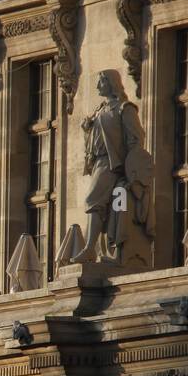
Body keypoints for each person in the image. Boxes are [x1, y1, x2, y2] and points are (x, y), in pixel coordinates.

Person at [72, 69, 155, 268]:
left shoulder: (124, 108)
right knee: (102, 204)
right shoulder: (101, 109)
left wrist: (131, 173)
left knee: (93, 200)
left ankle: (90, 248)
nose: (97, 86)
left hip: (112, 163)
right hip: (99, 162)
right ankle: (99, 248)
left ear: (111, 83)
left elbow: (136, 140)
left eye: (101, 81)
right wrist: (87, 130)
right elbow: (94, 141)